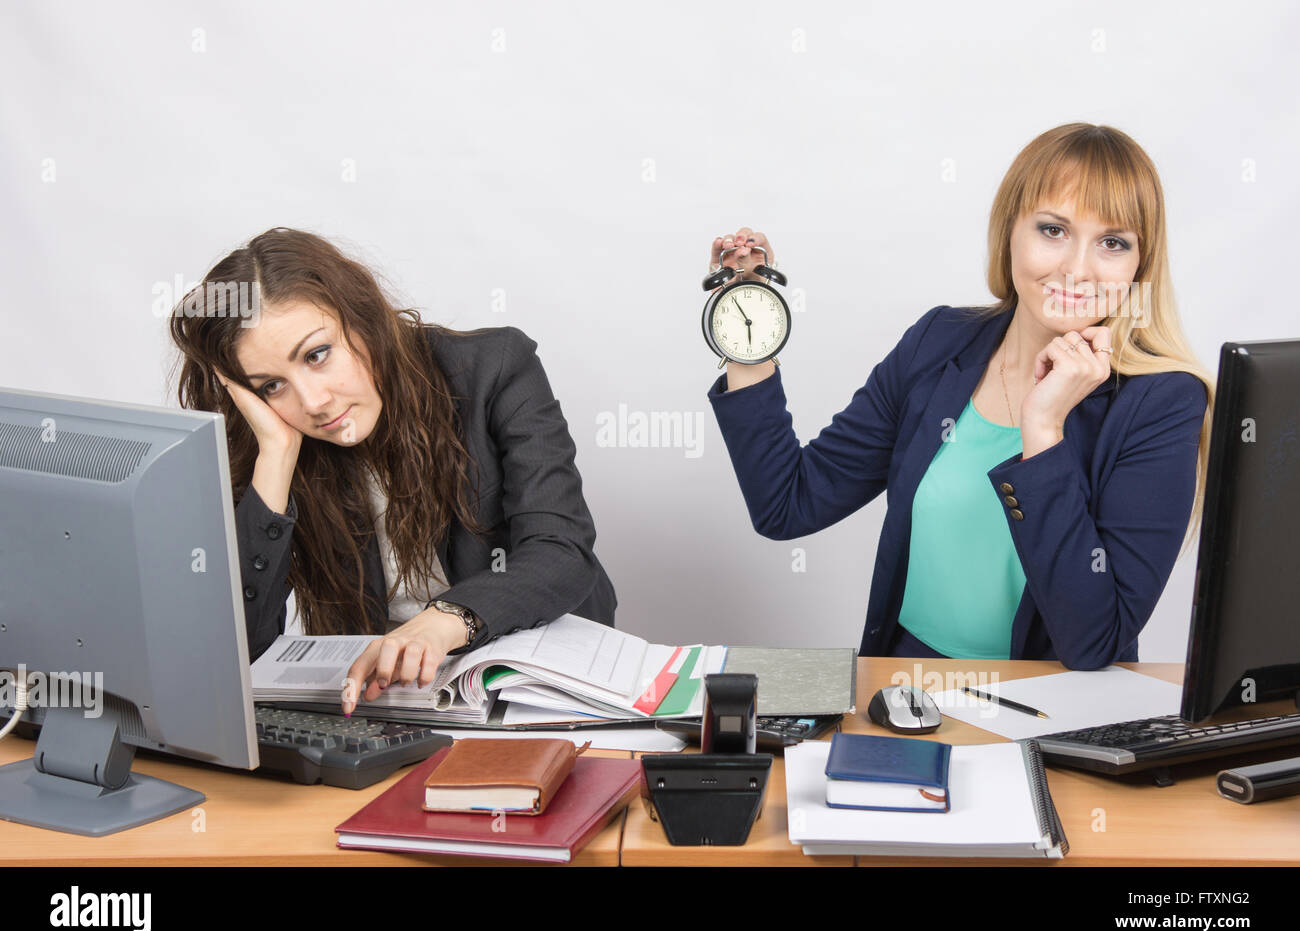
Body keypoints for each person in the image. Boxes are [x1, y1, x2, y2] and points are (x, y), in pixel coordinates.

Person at [706, 123, 1213, 669]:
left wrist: (1043, 431)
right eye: (1053, 230)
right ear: (1010, 231)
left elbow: (1093, 644)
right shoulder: (939, 342)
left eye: (1112, 243)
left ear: (1141, 264)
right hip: (906, 690)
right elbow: (788, 504)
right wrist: (748, 331)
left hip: (1050, 714)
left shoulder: (1163, 404)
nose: (1077, 269)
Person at [169, 227, 616, 712]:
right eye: (273, 385)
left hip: (540, 690)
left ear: (363, 320)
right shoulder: (273, 439)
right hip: (390, 710)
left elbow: (561, 551)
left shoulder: (494, 368)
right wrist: (275, 457)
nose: (313, 402)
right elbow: (241, 655)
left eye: (317, 355)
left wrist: (443, 621)